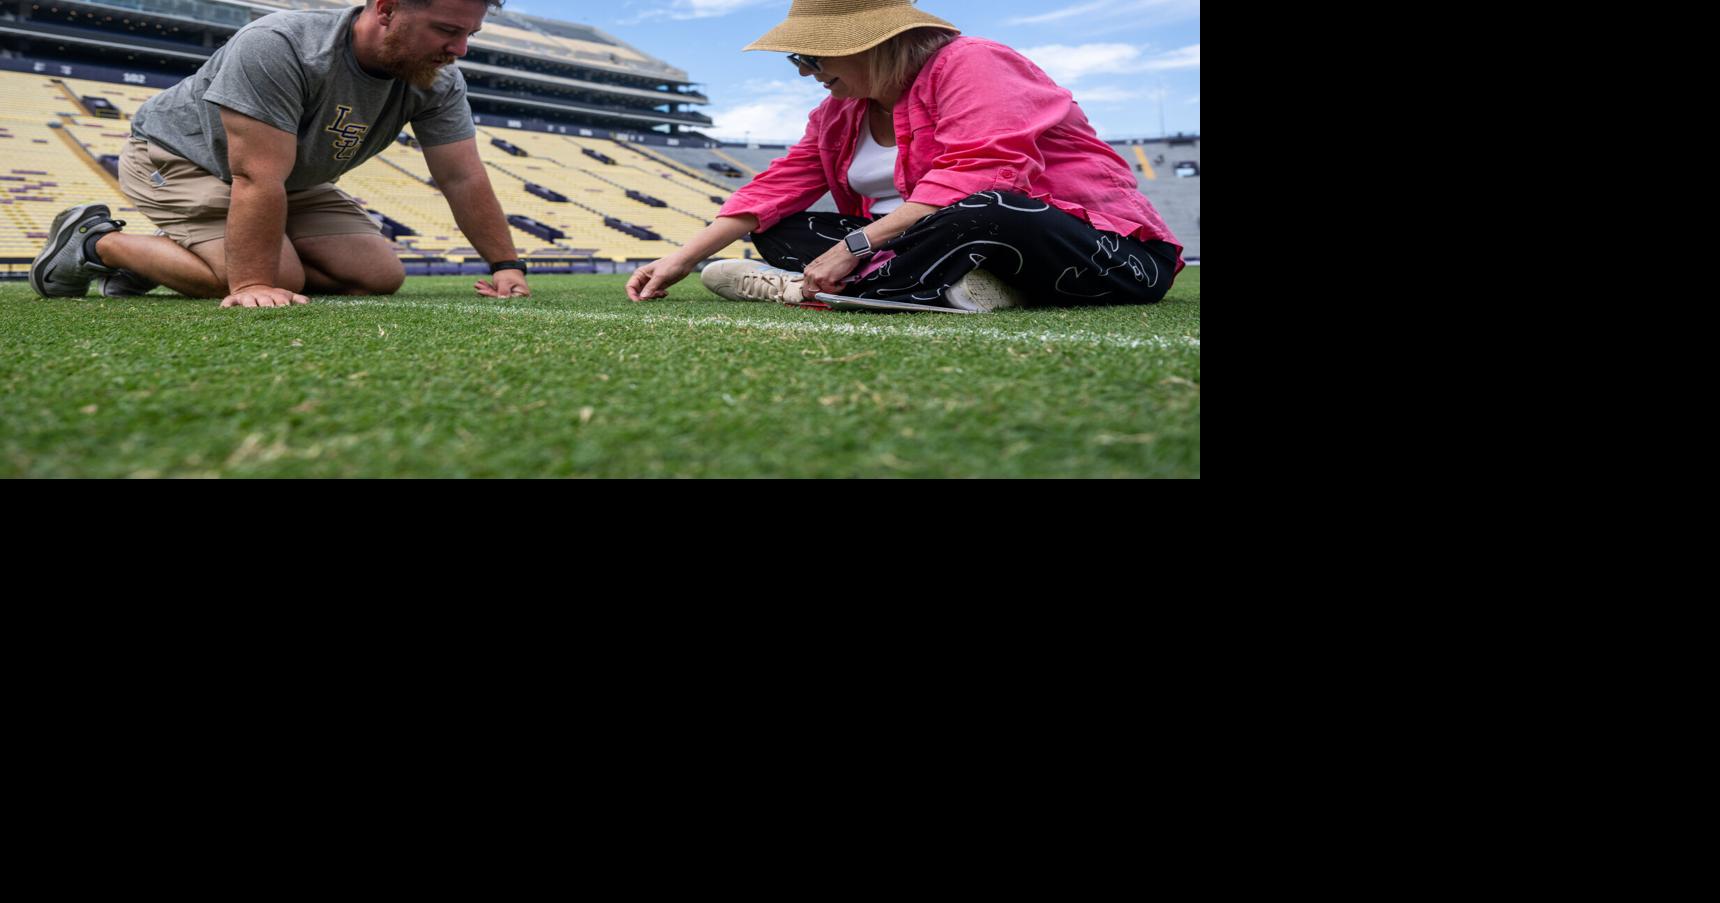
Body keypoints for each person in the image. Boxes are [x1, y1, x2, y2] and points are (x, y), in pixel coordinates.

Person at [626, 0, 1182, 312]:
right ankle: (957, 288)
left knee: (990, 205)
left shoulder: (975, 62)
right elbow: (771, 191)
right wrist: (681, 259)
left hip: (1103, 257)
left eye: (810, 56)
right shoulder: (838, 113)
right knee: (777, 232)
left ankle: (809, 290)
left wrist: (854, 245)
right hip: (940, 245)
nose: (802, 71)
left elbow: (979, 171)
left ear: (872, 44)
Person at [30, 0, 530, 309]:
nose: (460, 48)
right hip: (181, 157)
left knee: (378, 276)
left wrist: (505, 264)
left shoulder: (438, 78)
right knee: (275, 278)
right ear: (386, 8)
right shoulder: (279, 45)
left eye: (469, 34)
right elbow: (253, 175)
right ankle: (95, 243)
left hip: (289, 178)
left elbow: (461, 176)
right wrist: (250, 282)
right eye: (447, 30)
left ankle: (170, 258)